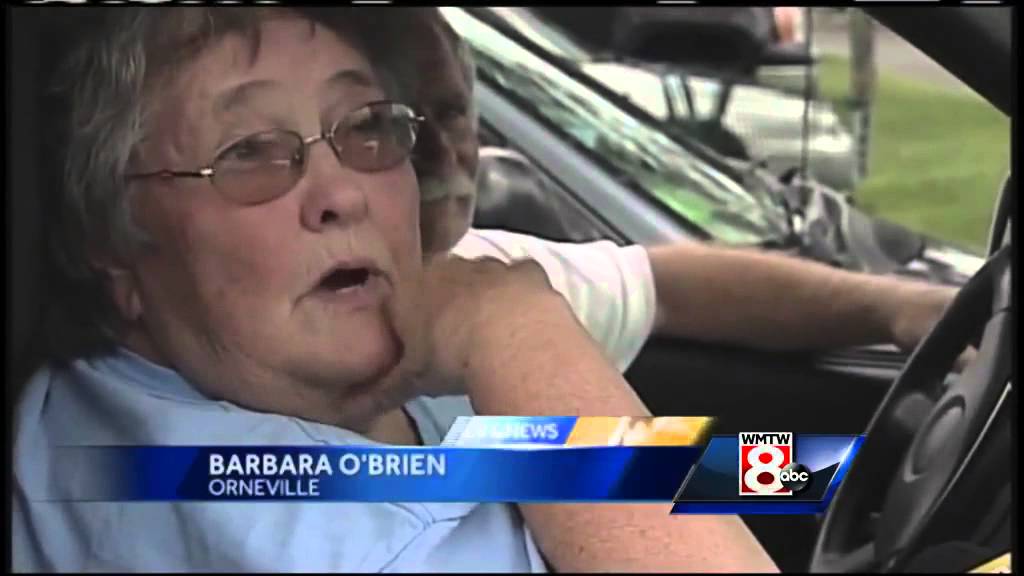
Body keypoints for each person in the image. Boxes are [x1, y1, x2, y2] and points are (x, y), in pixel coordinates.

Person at [12, 7, 777, 572]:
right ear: (113, 243)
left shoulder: (176, 388)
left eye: (365, 126)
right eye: (249, 152)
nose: (342, 191)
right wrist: (518, 330)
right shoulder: (322, 537)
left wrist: (821, 472)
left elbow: (544, 458)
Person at [404, 8, 958, 362]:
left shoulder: (486, 277)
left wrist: (901, 308)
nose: (438, 153)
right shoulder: (335, 461)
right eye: (383, 126)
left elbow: (664, 288)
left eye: (452, 113)